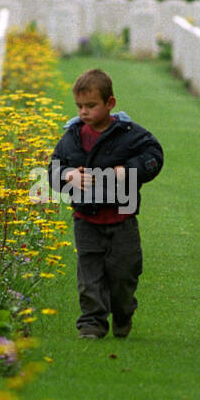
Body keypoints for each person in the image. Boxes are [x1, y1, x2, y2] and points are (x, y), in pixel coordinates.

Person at [50, 68, 164, 339]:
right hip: (86, 220)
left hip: (121, 219)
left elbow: (154, 156)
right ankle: (92, 323)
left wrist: (128, 170)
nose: (84, 112)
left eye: (91, 106)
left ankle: (124, 313)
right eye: (79, 106)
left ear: (110, 103)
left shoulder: (130, 134)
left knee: (124, 274)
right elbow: (53, 169)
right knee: (90, 275)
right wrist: (68, 176)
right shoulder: (71, 138)